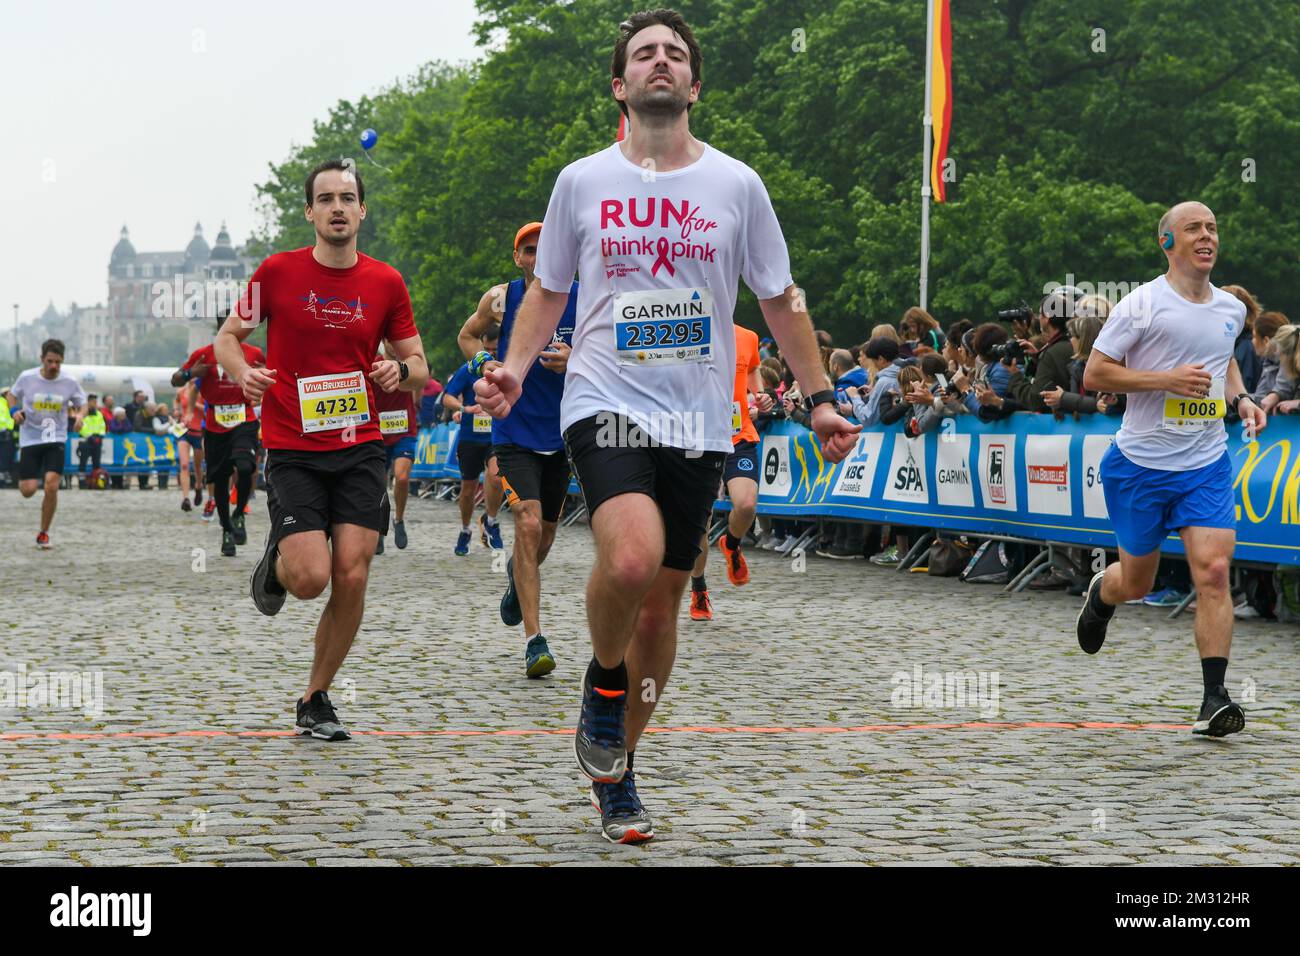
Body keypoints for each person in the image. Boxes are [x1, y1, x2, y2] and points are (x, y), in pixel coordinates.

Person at [474, 9, 858, 843]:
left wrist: (821, 394)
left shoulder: (737, 185)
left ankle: (619, 774)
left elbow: (779, 300)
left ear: (693, 84)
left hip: (699, 416)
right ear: (620, 85)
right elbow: (546, 291)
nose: (660, 62)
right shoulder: (582, 181)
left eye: (674, 54)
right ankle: (602, 683)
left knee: (661, 611)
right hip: (603, 400)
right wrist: (513, 364)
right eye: (644, 53)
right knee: (634, 556)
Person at [215, 159, 428, 742]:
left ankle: (316, 697)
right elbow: (228, 338)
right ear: (310, 211)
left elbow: (420, 367)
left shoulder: (386, 282)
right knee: (312, 579)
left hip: (361, 446)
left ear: (362, 210)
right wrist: (244, 374)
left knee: (352, 575)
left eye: (348, 198)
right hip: (292, 447)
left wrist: (396, 369)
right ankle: (279, 563)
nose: (338, 207)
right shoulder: (278, 273)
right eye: (326, 198)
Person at [1075, 201, 1267, 737]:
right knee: (1138, 582)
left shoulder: (1230, 307)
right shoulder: (1140, 305)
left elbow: (1223, 356)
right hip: (1140, 465)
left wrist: (1243, 397)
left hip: (1204, 464)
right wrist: (1164, 380)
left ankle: (1213, 699)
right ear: (1167, 243)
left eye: (1212, 228)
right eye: (1194, 229)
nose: (1207, 237)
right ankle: (1102, 592)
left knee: (1213, 571)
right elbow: (1095, 373)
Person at [458, 221, 575, 680]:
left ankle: (515, 575)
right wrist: (482, 362)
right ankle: (535, 640)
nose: (537, 255)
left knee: (542, 539)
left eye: (545, 247)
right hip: (512, 430)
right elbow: (468, 335)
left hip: (563, 434)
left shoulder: (581, 294)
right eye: (528, 249)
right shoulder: (501, 299)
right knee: (526, 522)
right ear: (518, 258)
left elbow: (608, 351)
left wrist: (575, 358)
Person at [688, 323, 772, 618]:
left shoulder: (747, 336)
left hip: (739, 435)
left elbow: (752, 372)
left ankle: (732, 544)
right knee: (701, 518)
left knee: (747, 504)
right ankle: (698, 591)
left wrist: (760, 395)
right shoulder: (688, 329)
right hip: (697, 437)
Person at [177, 314, 266, 556]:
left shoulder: (254, 353)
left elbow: (271, 377)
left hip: (244, 418)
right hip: (215, 425)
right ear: (220, 327)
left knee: (246, 467)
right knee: (219, 479)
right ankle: (226, 529)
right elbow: (176, 379)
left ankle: (239, 514)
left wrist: (264, 374)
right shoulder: (204, 353)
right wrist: (192, 373)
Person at [8, 339, 88, 547]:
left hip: (56, 438)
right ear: (42, 359)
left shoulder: (69, 382)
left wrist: (80, 416)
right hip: (31, 438)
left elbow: (83, 403)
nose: (54, 366)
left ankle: (44, 533)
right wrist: (14, 411)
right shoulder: (27, 377)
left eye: (58, 363)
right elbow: (11, 395)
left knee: (52, 485)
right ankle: (27, 481)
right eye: (50, 361)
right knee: (28, 490)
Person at [442, 326, 506, 556]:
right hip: (470, 437)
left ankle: (491, 520)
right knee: (468, 489)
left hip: (496, 436)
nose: (491, 355)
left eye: (495, 350)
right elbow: (447, 397)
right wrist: (464, 407)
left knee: (497, 477)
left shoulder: (507, 369)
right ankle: (466, 529)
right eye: (486, 350)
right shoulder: (468, 370)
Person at [372, 344, 420, 554]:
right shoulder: (374, 363)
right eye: (388, 340)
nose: (393, 345)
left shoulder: (411, 364)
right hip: (378, 432)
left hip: (404, 430)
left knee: (401, 477)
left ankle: (398, 519)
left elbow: (419, 386)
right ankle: (378, 529)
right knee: (378, 484)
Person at [171, 379, 206, 512]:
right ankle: (185, 499)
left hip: (198, 432)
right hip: (184, 431)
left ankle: (198, 485)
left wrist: (194, 404)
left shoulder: (203, 391)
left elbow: (208, 409)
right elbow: (176, 400)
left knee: (197, 466)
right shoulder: (182, 391)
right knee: (184, 465)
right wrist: (176, 410)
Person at [75, 393, 107, 478]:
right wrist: (90, 436)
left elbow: (102, 425)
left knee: (96, 462)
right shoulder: (83, 413)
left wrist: (100, 436)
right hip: (86, 440)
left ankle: (96, 481)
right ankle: (82, 481)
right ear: (88, 402)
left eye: (96, 402)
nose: (95, 404)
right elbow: (81, 426)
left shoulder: (99, 414)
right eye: (93, 402)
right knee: (83, 462)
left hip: (97, 441)